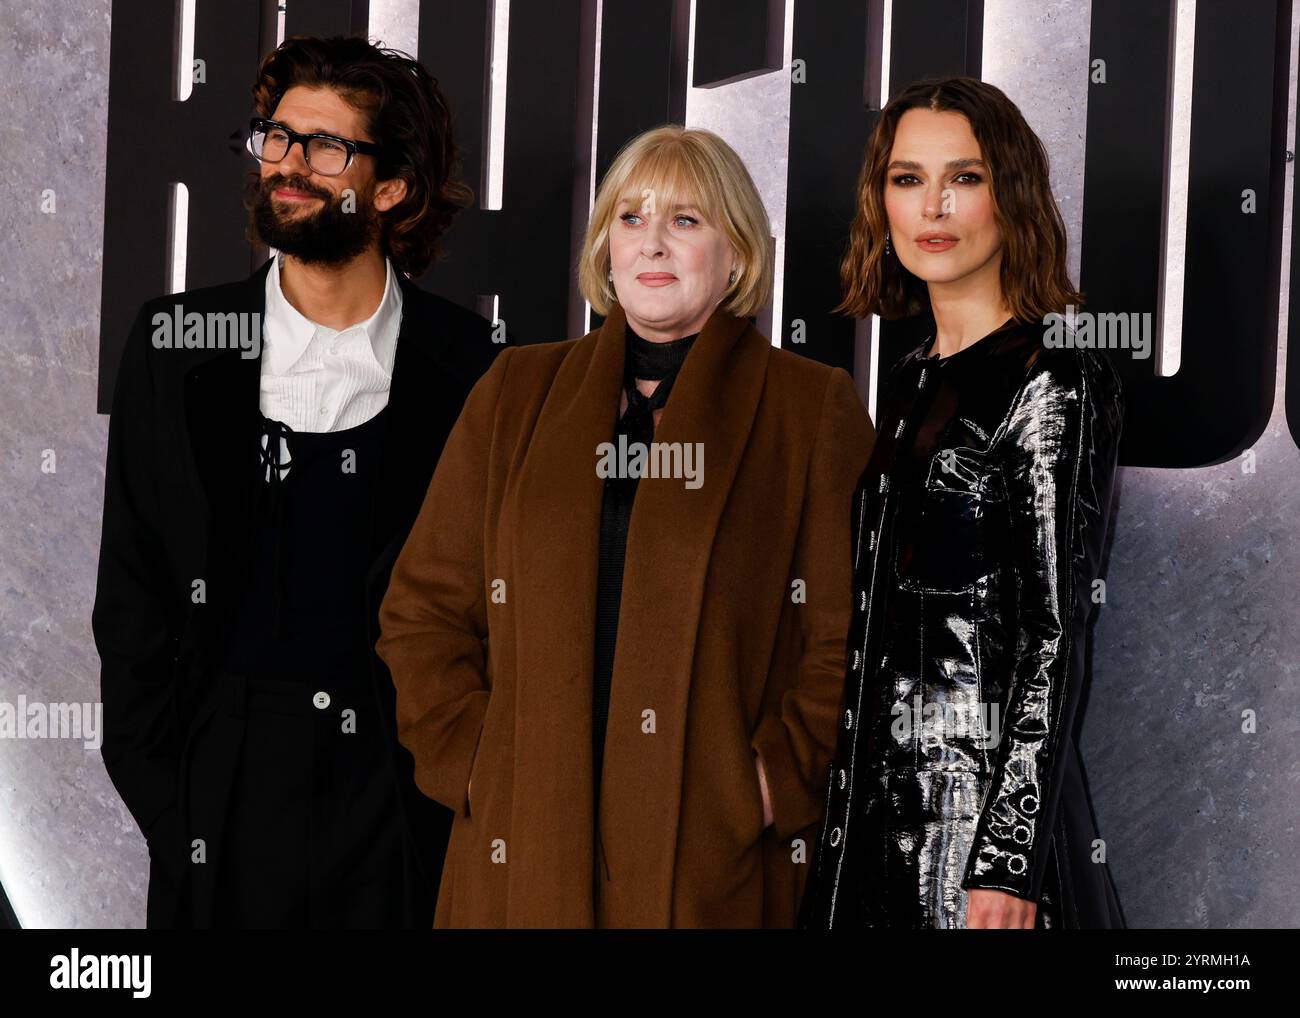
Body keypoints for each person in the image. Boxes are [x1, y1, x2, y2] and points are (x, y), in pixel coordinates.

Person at [376, 124, 875, 927]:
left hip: (712, 868)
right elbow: (422, 611)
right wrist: (475, 763)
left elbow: (847, 638)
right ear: (605, 247)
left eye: (685, 220)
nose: (653, 243)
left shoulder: (811, 411)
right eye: (631, 218)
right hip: (522, 850)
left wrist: (763, 786)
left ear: (738, 254)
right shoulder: (516, 391)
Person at [93, 35, 504, 927]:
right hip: (221, 809)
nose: (287, 166)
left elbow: (498, 615)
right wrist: (176, 810)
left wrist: (455, 795)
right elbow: (132, 600)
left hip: (403, 818)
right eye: (276, 138)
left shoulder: (475, 369)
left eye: (326, 147)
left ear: (391, 188)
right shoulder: (174, 346)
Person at [799, 77, 1126, 929]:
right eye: (907, 179)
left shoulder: (1056, 376)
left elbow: (1058, 631)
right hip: (867, 830)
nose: (933, 205)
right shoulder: (909, 380)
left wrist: (1009, 860)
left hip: (976, 835)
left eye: (965, 178)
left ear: (1009, 195)